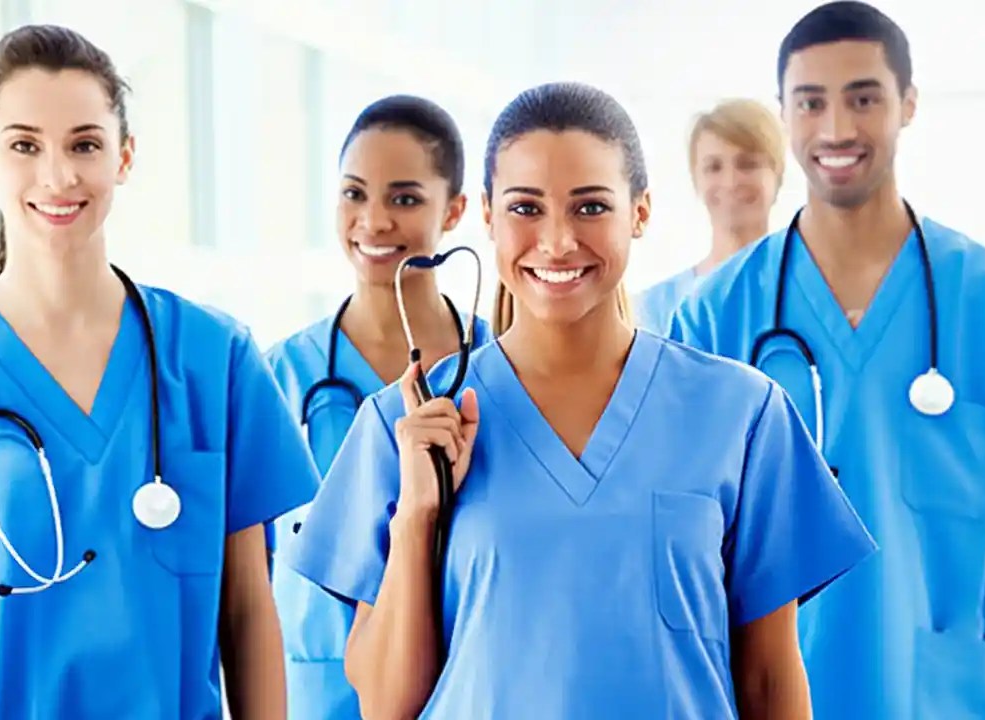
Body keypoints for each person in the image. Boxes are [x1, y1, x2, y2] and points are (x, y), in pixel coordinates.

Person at [286, 81, 876, 719]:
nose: (558, 241)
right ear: (487, 216)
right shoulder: (408, 423)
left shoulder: (742, 414)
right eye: (526, 208)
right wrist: (418, 514)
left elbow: (769, 680)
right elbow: (385, 704)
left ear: (640, 213)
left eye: (590, 207)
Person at [667, 2, 985, 717]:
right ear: (785, 113)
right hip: (779, 694)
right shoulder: (716, 316)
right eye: (811, 103)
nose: (836, 128)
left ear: (908, 104)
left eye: (863, 99)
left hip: (948, 696)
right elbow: (689, 547)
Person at [0, 25, 318, 718]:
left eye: (84, 144)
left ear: (124, 156)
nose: (58, 176)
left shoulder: (213, 357)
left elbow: (247, 610)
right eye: (24, 145)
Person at [266, 95, 491, 720]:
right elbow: (247, 578)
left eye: (405, 199)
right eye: (354, 194)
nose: (374, 221)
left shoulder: (501, 369)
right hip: (317, 697)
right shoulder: (279, 376)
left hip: (468, 687)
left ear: (455, 210)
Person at [632, 98, 785, 333]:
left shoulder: (816, 293)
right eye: (714, 167)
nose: (731, 182)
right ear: (696, 179)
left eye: (748, 164)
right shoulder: (654, 310)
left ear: (777, 174)